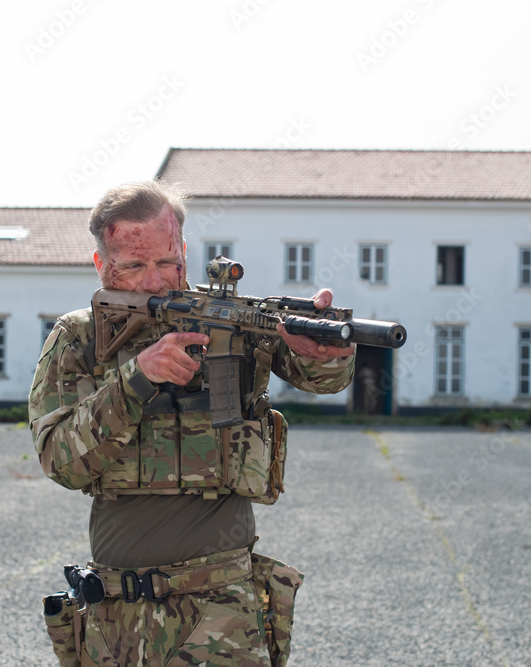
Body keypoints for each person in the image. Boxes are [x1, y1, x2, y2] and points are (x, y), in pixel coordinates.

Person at [29, 180, 355, 666]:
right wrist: (136, 381)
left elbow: (322, 378)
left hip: (221, 608)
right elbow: (61, 461)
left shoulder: (228, 321)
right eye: (134, 266)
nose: (155, 281)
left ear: (184, 249)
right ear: (102, 265)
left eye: (167, 263)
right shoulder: (78, 338)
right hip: (118, 613)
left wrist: (326, 352)